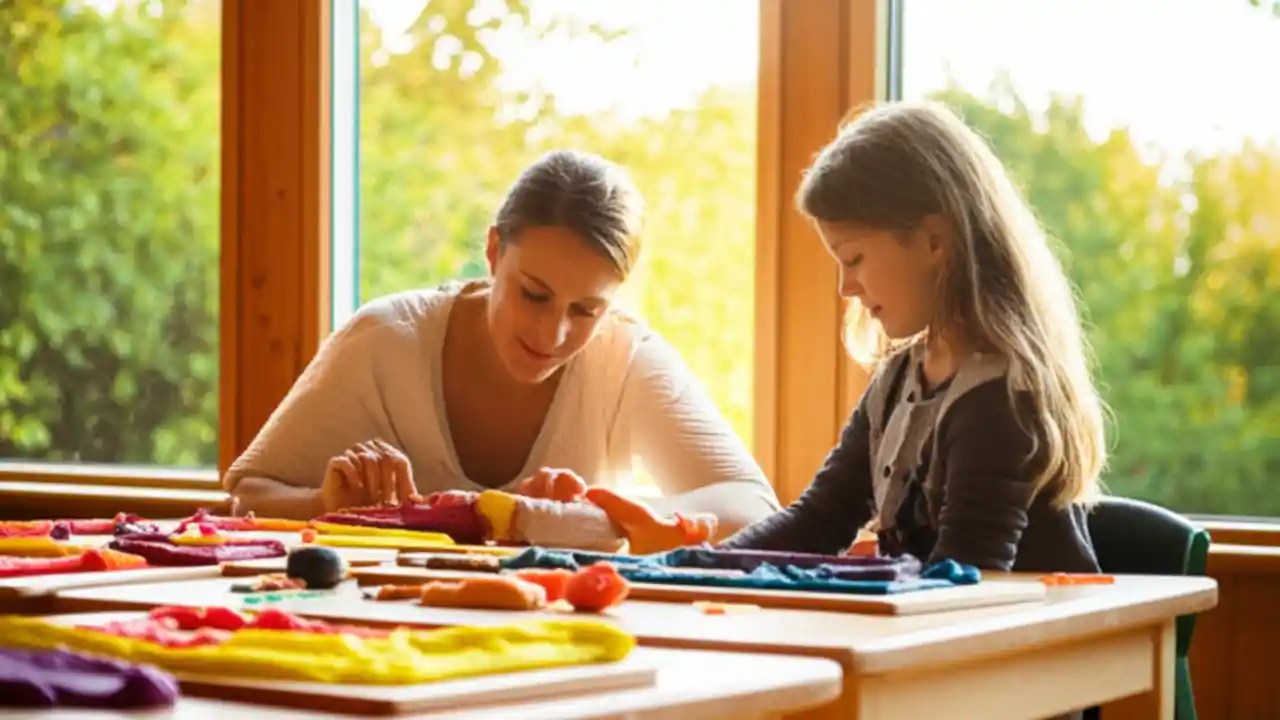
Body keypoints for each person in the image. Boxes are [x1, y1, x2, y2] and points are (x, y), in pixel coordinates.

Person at [223, 149, 780, 535]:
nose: (553, 334)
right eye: (533, 295)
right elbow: (248, 495)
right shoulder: (387, 340)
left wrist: (596, 514)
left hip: (571, 654)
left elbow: (752, 506)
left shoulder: (624, 358)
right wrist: (325, 505)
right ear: (493, 252)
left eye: (586, 309)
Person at [721, 101, 1105, 573]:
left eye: (854, 259)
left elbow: (965, 578)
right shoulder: (901, 379)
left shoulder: (1000, 396)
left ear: (934, 242)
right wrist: (692, 566)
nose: (846, 288)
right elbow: (821, 518)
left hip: (1034, 642)